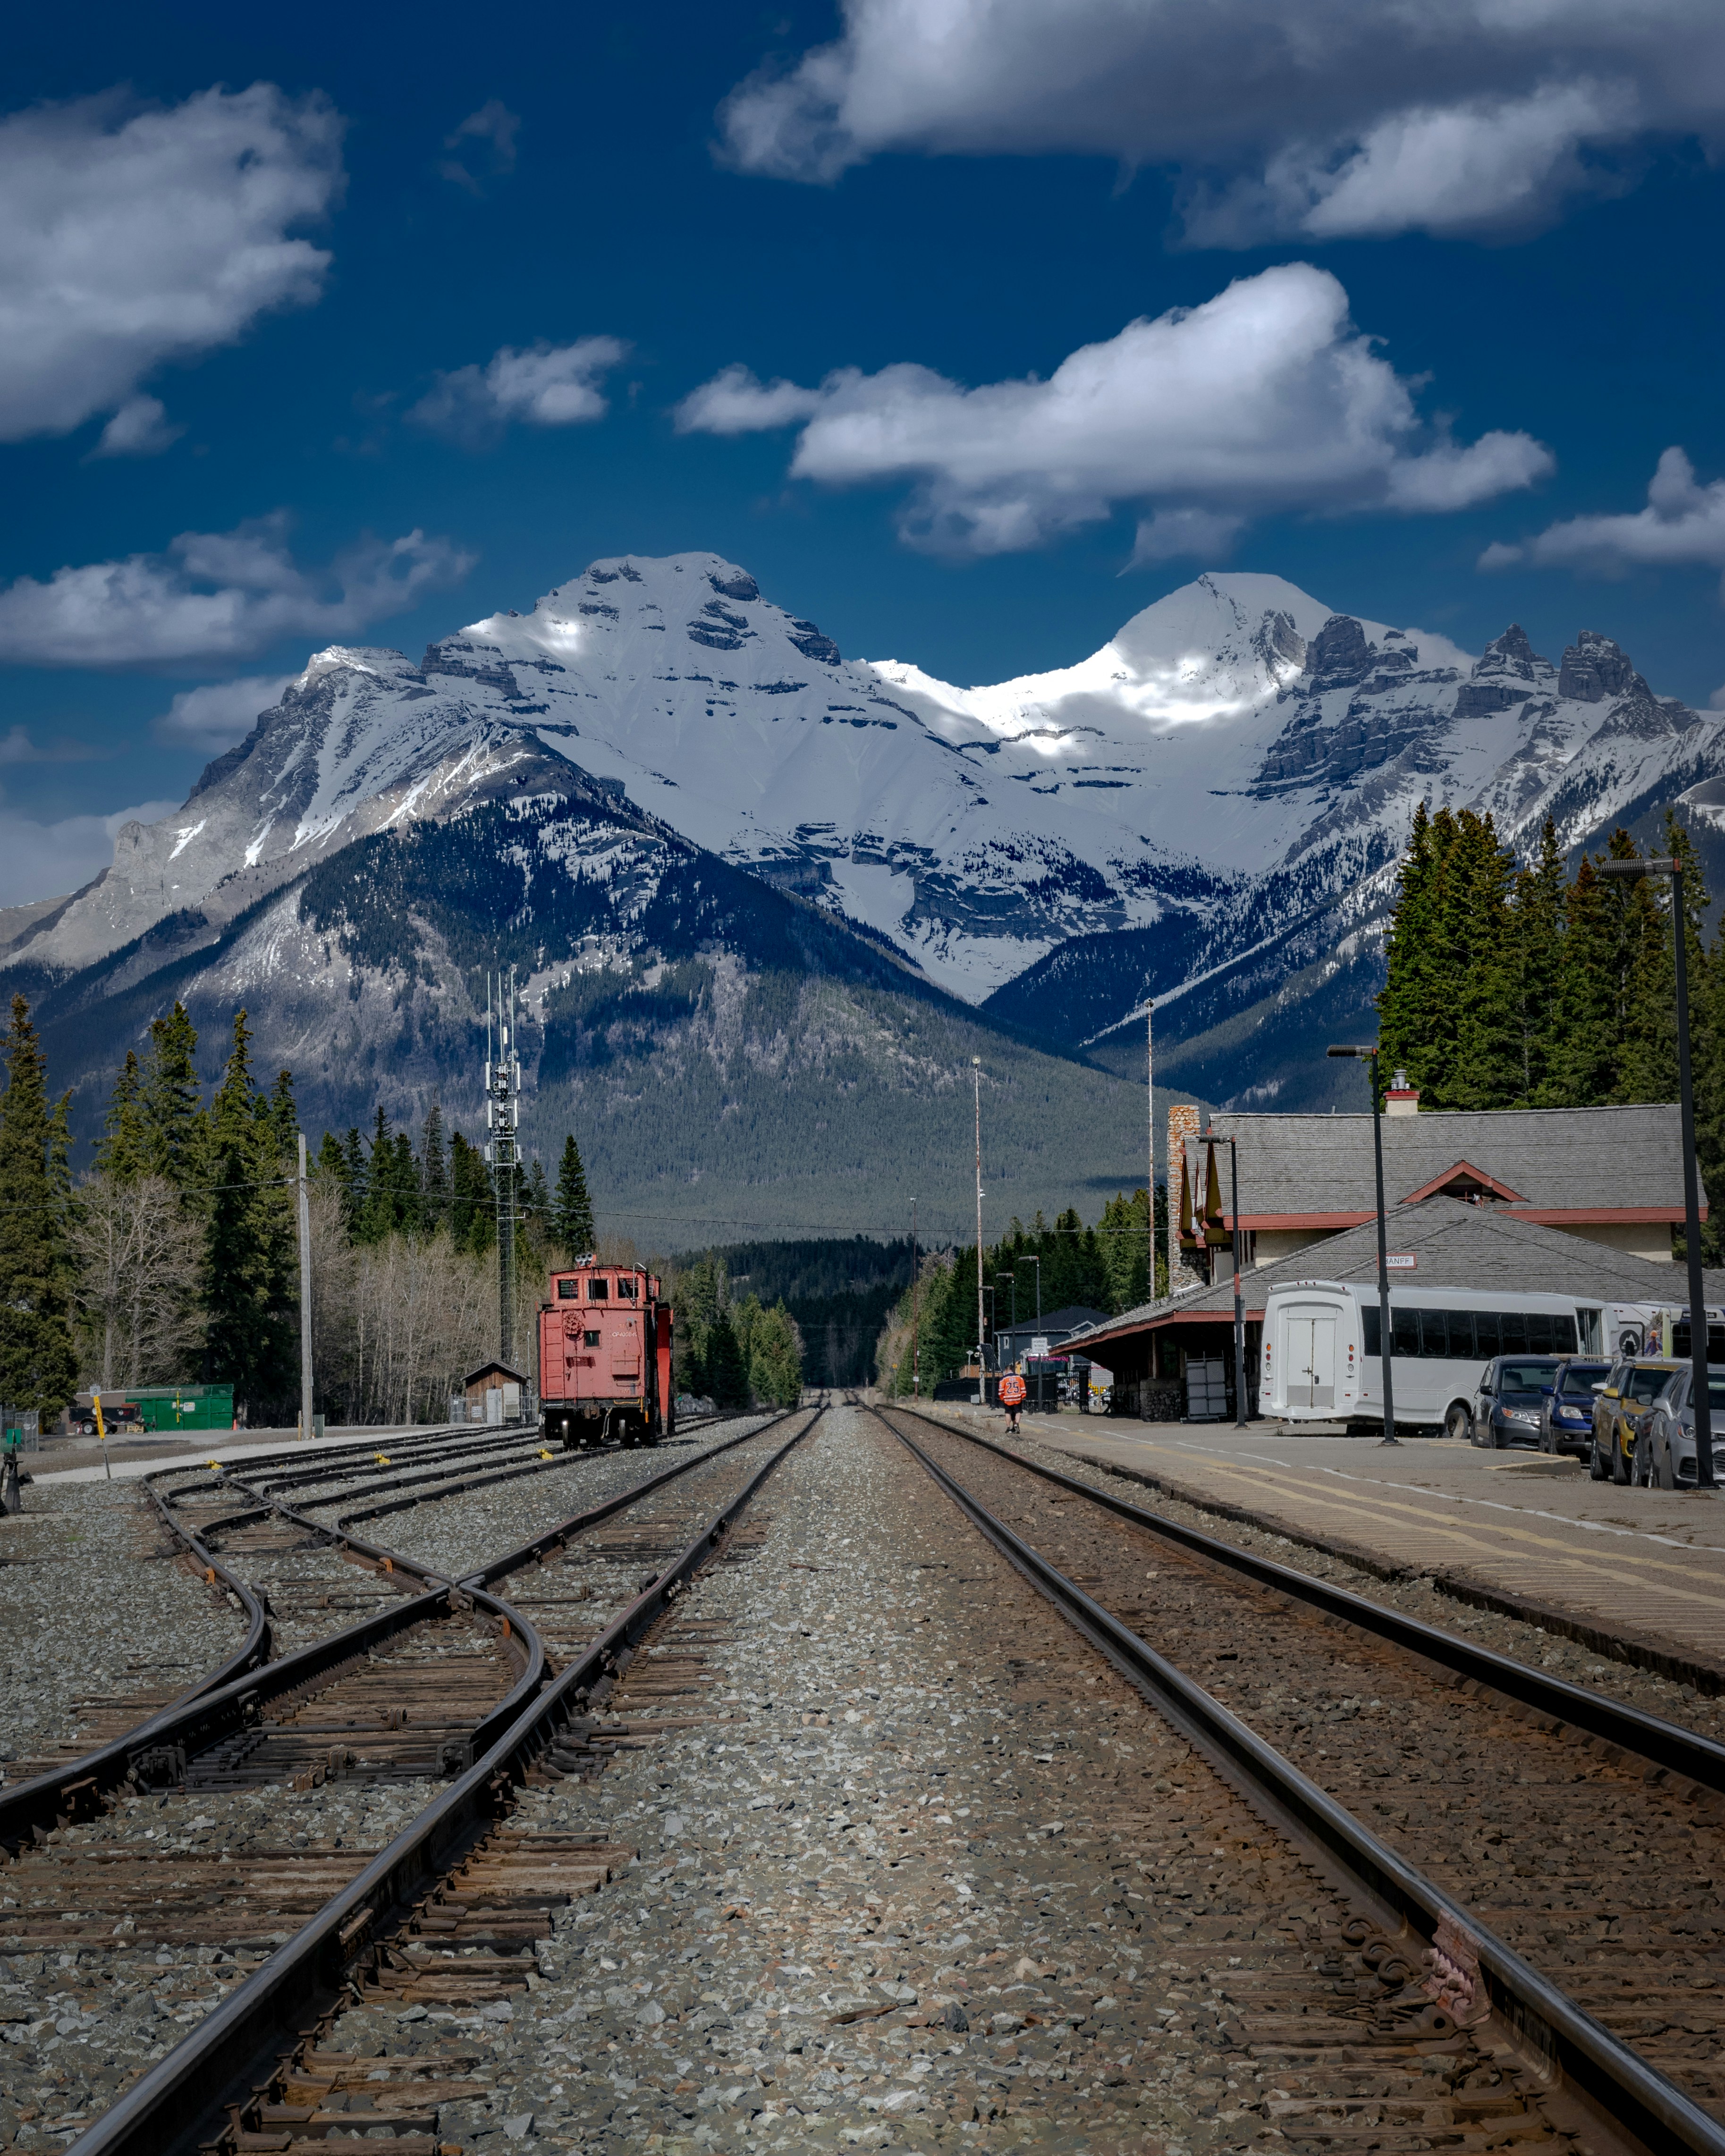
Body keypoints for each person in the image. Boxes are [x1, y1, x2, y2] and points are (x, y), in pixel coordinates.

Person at [998, 1368, 1027, 1434]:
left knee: (1008, 1413)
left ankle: (1008, 1428)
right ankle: (1016, 1424)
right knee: (1018, 1412)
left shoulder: (1003, 1379)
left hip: (1008, 1399)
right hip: (1017, 1398)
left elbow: (1001, 1391)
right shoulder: (1019, 1378)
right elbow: (1023, 1389)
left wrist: (1002, 1398)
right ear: (1013, 1370)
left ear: (1006, 1371)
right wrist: (1022, 1397)